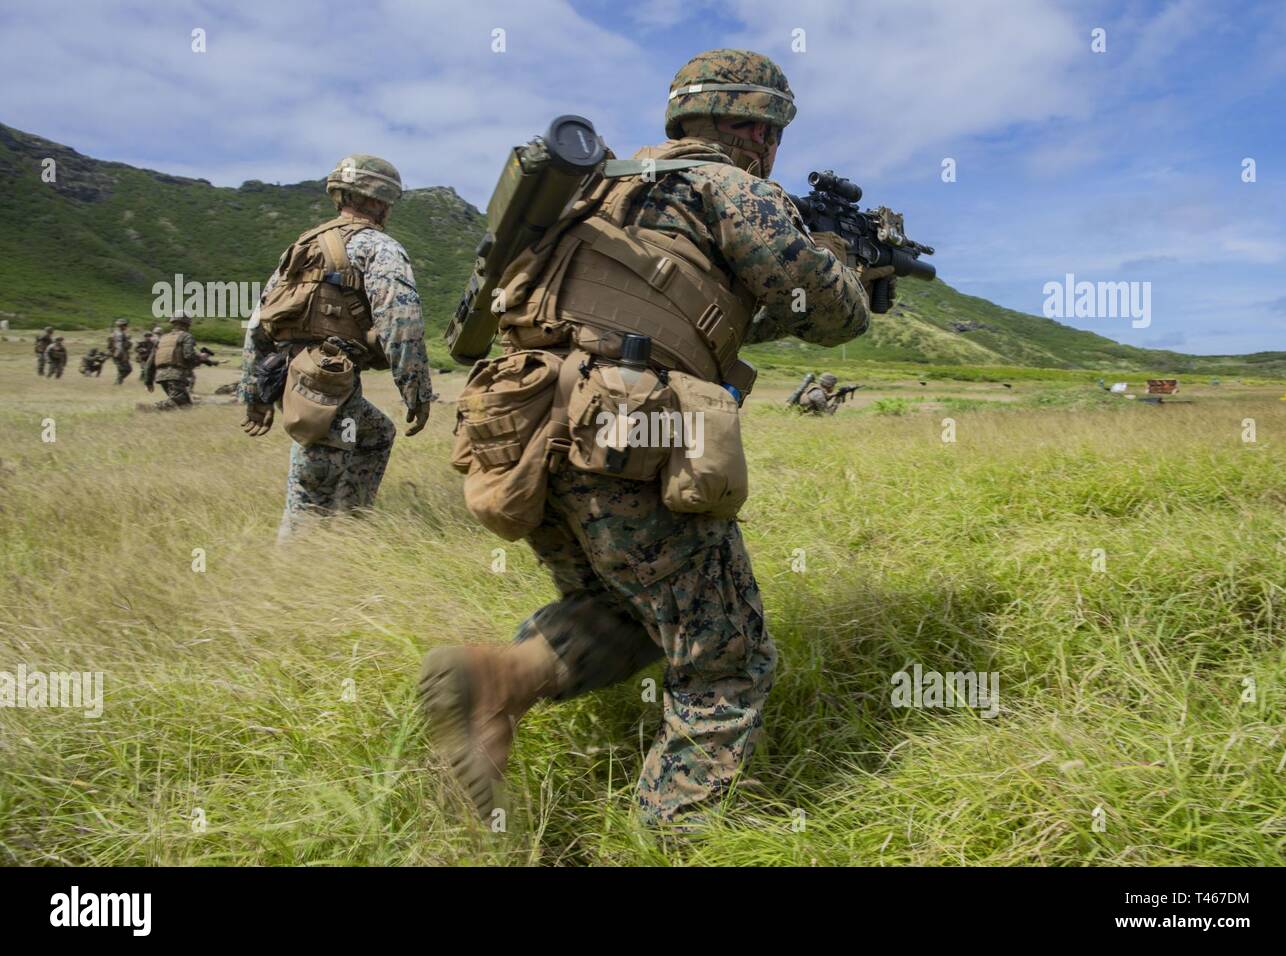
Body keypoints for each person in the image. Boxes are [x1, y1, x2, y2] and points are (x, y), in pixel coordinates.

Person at [419, 49, 891, 828]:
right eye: (770, 135)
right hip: (627, 435)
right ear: (756, 129)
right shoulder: (731, 187)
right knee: (727, 663)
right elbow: (834, 316)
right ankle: (672, 835)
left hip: (525, 433)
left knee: (630, 608)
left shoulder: (595, 191)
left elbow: (691, 309)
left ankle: (496, 680)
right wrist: (846, 260)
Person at [237, 154, 434, 541]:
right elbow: (403, 322)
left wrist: (254, 395)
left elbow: (259, 323)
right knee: (310, 497)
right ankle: (305, 568)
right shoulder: (380, 247)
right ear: (380, 201)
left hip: (295, 376)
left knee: (374, 435)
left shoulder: (301, 248)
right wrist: (417, 392)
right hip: (326, 383)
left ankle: (349, 531)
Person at [145, 312, 217, 409]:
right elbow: (189, 356)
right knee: (180, 402)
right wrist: (200, 359)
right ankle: (151, 408)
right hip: (176, 375)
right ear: (188, 323)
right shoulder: (186, 336)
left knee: (185, 406)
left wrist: (148, 381)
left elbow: (150, 362)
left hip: (161, 377)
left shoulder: (162, 339)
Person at [107, 319, 132, 385]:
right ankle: (118, 382)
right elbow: (120, 346)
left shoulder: (115, 333)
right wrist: (123, 355)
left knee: (123, 369)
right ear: (121, 326)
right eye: (125, 325)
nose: (126, 326)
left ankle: (118, 382)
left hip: (117, 354)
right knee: (126, 369)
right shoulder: (120, 334)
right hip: (119, 354)